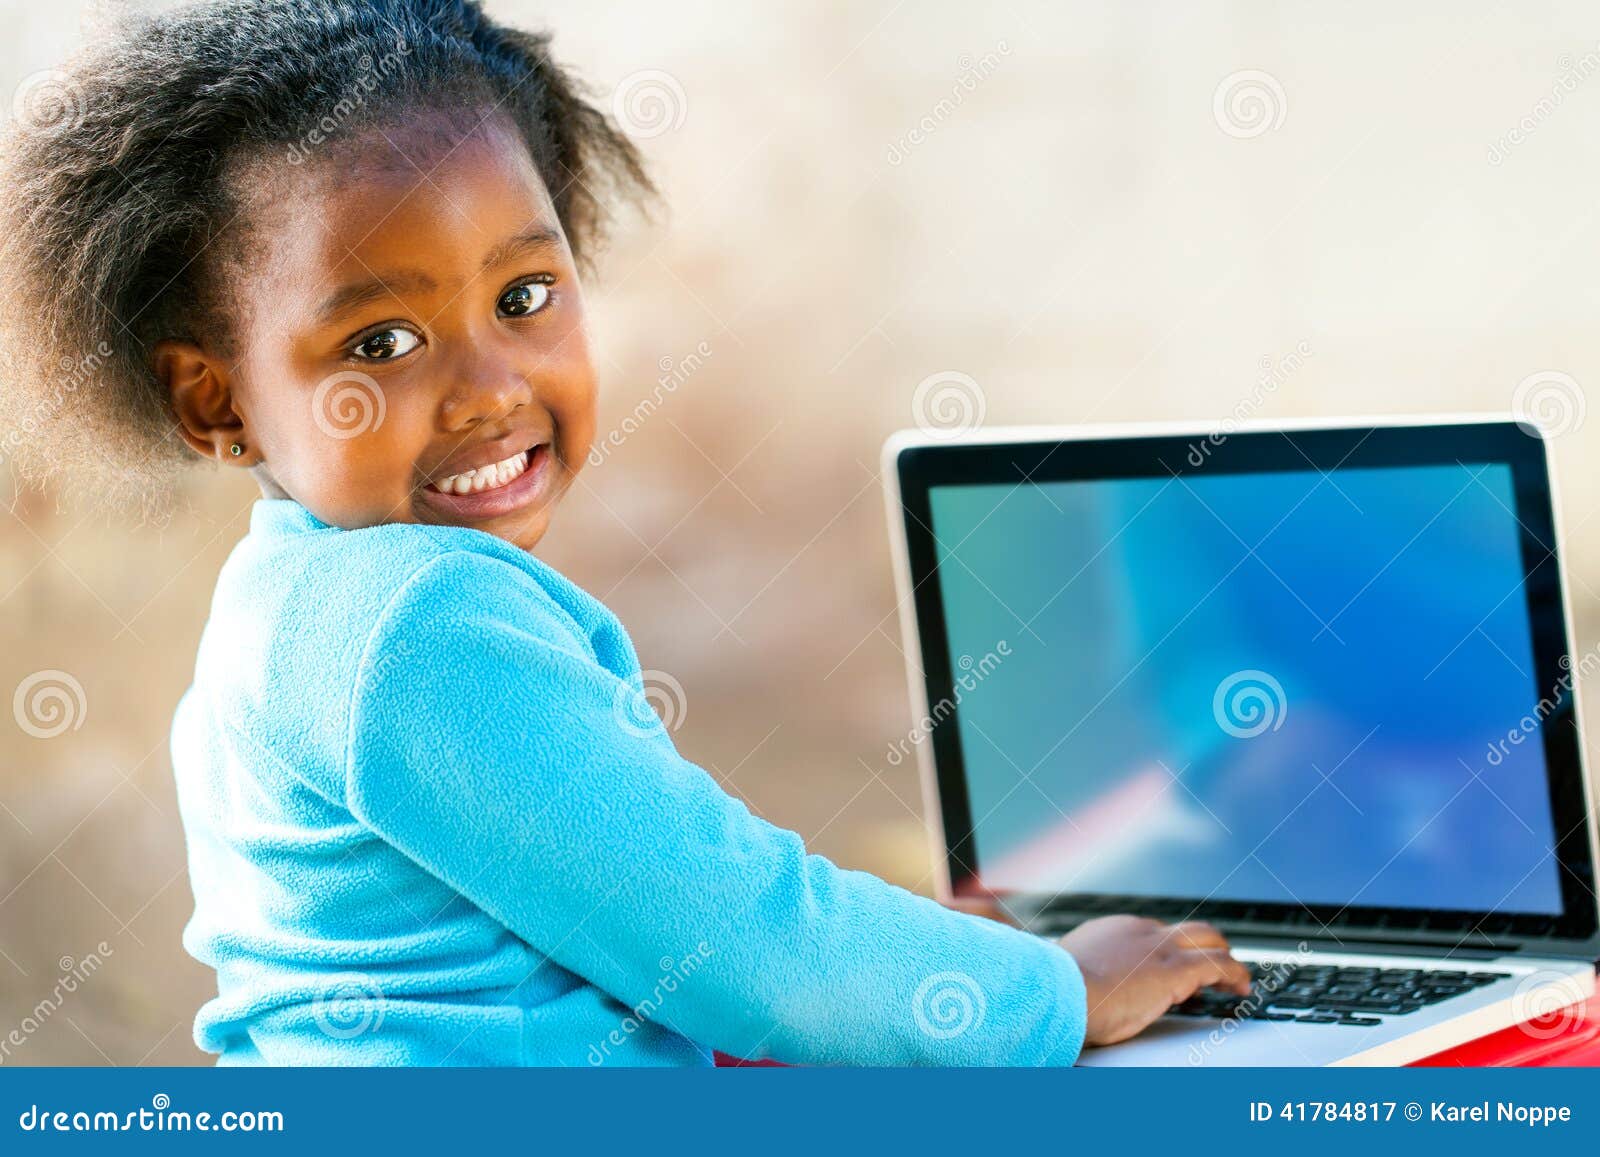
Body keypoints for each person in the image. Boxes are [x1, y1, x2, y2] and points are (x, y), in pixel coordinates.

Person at [0, 0, 1250, 1065]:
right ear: (214, 399)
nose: (490, 385)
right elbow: (744, 942)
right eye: (380, 342)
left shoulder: (278, 604)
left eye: (524, 296)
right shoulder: (411, 619)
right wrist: (1057, 989)